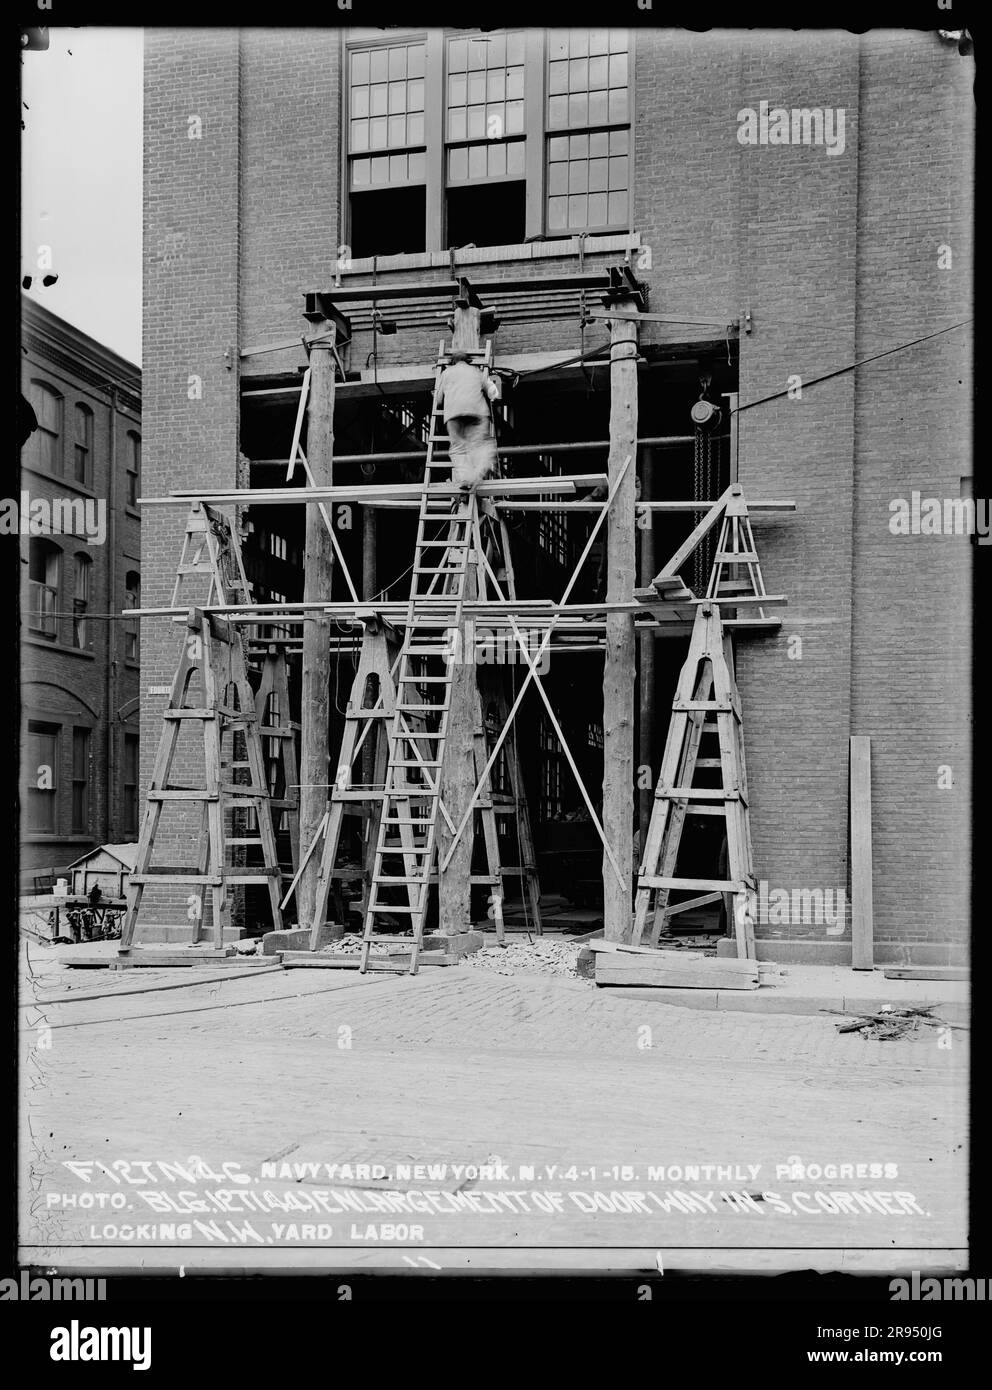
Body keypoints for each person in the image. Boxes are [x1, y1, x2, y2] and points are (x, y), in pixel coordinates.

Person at [436, 350, 499, 492]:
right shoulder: (476, 371)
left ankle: (465, 478)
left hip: (453, 414)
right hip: (476, 411)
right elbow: (493, 391)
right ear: (467, 360)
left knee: (458, 449)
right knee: (478, 444)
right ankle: (480, 469)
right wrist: (493, 395)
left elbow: (438, 400)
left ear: (452, 362)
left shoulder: (446, 374)